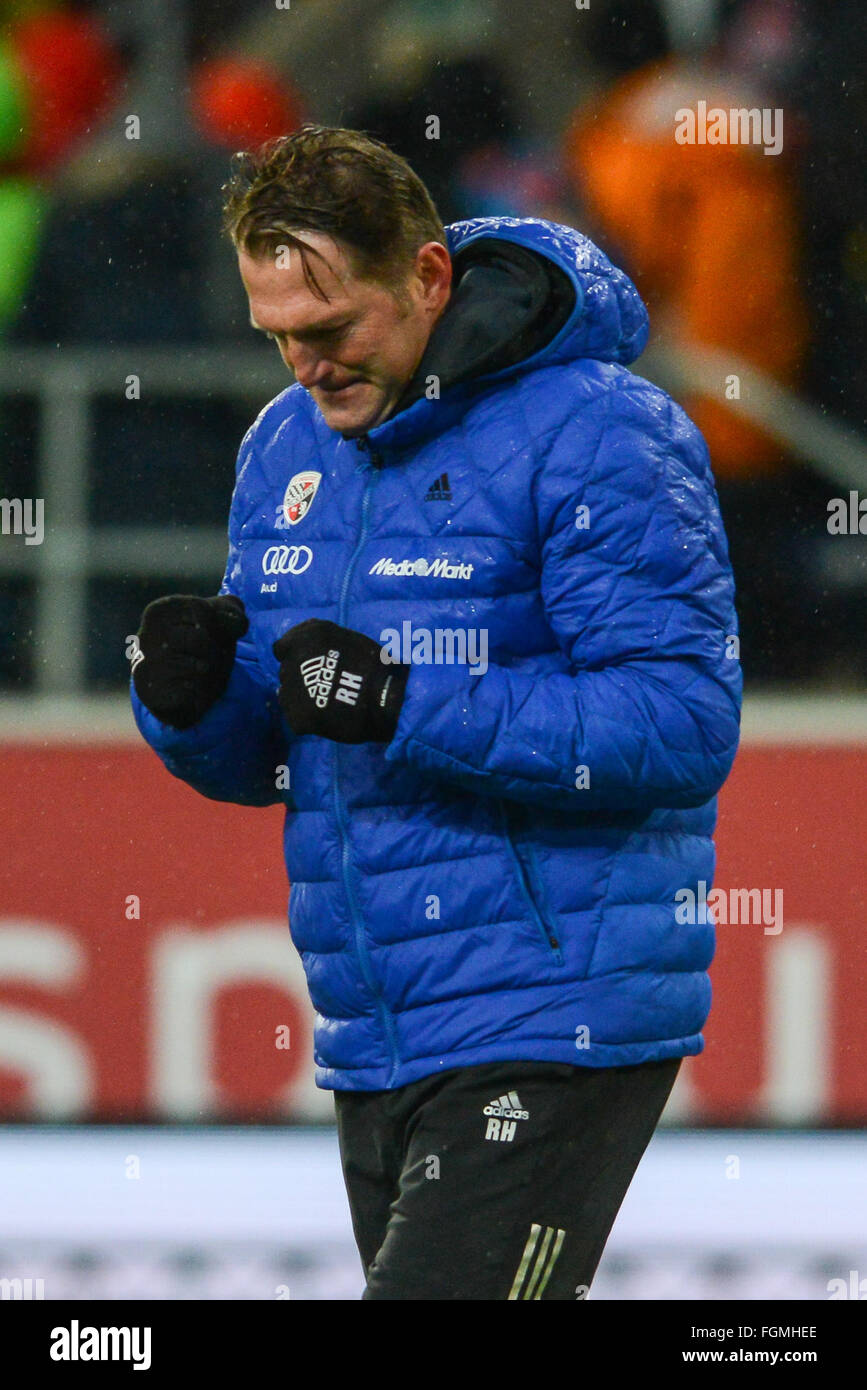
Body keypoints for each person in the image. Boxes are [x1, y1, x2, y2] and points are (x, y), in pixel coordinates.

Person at [129, 125, 742, 1300]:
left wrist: (401, 699)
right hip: (378, 1020)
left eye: (329, 330)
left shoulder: (603, 429)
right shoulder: (283, 446)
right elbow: (287, 740)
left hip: (554, 1008)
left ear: (425, 276)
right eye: (279, 340)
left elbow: (678, 719)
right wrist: (196, 704)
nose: (305, 368)